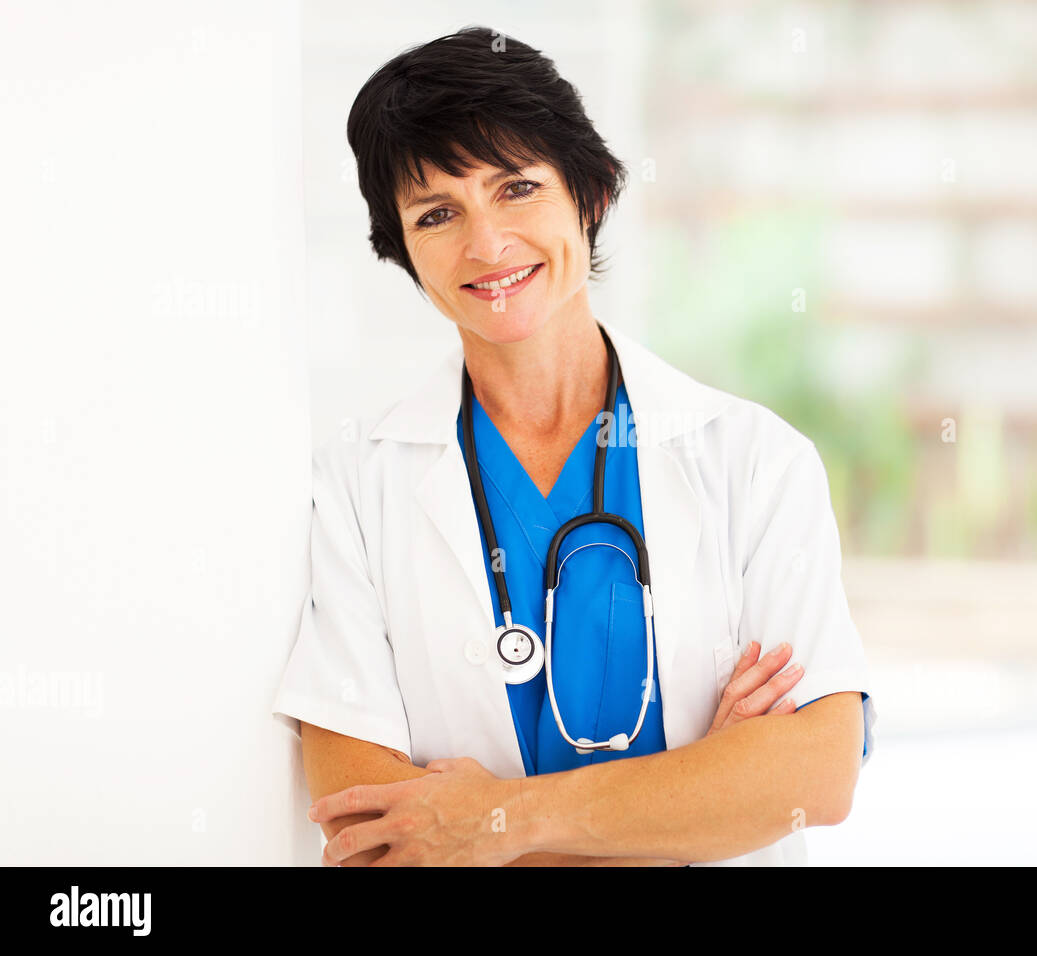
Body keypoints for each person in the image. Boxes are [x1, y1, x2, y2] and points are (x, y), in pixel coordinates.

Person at [272, 25, 876, 867]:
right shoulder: (354, 488)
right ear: (401, 249)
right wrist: (695, 799)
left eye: (516, 188)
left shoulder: (752, 462)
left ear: (589, 193)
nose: (487, 246)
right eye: (437, 213)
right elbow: (370, 832)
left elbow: (815, 776)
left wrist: (488, 823)